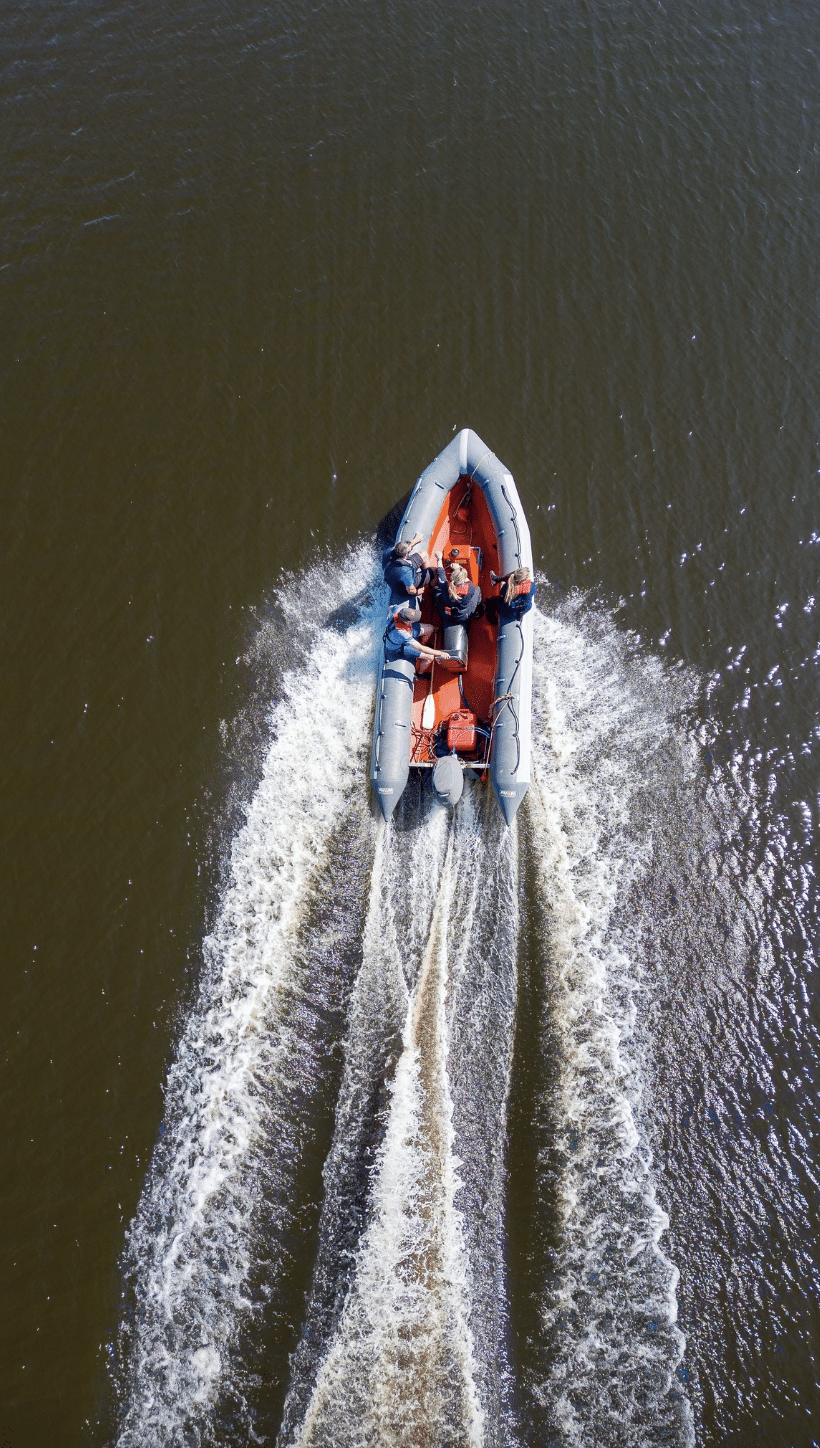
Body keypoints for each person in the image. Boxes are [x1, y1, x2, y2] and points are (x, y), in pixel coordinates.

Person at [384, 601, 452, 671]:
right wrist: (441, 653)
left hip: (406, 630)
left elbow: (390, 607)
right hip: (399, 646)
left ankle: (424, 643)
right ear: (408, 622)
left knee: (430, 628)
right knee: (430, 657)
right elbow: (420, 648)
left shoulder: (399, 610)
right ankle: (420, 673)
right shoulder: (402, 633)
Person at [432, 554, 482, 626]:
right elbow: (467, 579)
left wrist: (439, 559)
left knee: (436, 590)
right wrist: (459, 568)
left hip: (447, 616)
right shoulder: (470, 588)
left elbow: (440, 573)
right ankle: (479, 606)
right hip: (463, 616)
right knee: (477, 589)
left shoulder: (446, 587)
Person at [382, 534, 432, 600]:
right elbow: (410, 590)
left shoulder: (388, 552)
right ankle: (430, 578)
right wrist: (417, 592)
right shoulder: (405, 571)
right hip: (402, 588)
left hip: (392, 574)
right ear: (406, 555)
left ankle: (426, 575)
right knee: (432, 571)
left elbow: (404, 549)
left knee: (424, 553)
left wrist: (415, 541)